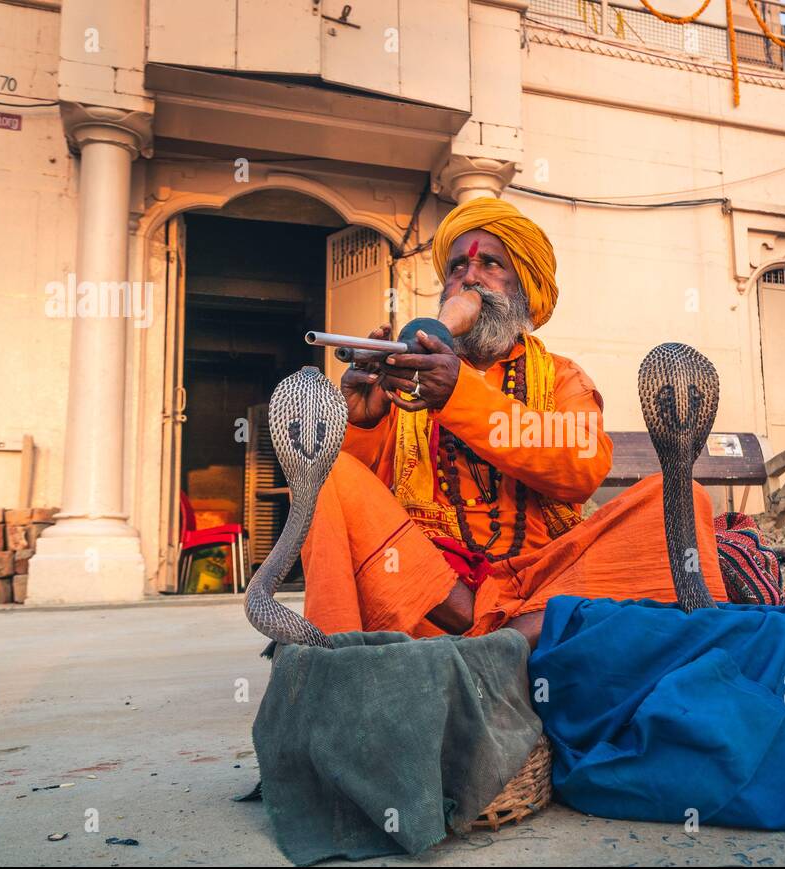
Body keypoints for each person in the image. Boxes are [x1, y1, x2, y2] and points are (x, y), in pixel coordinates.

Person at [299, 197, 730, 647]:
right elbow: (356, 509)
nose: (469, 277)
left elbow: (582, 469)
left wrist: (459, 394)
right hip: (435, 594)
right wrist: (361, 423)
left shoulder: (562, 375)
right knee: (326, 473)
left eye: (490, 264)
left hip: (546, 580)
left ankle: (503, 634)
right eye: (456, 270)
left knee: (683, 499)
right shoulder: (407, 381)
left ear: (522, 287)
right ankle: (484, 636)